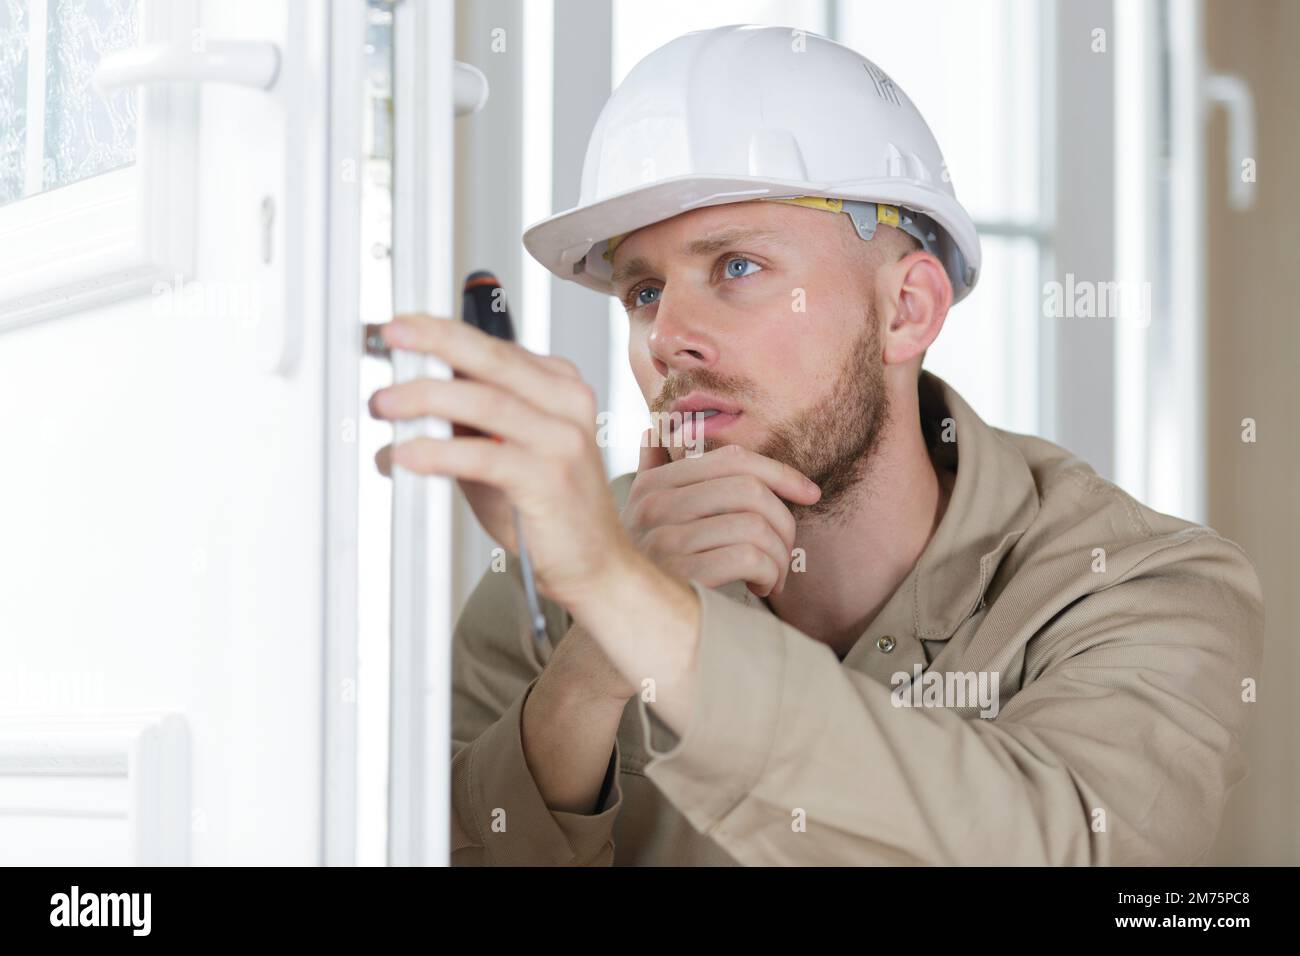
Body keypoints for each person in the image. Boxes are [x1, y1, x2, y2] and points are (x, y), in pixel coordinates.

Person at [368, 24, 1263, 865]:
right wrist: (592, 664)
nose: (666, 335)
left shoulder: (1142, 587)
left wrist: (630, 606)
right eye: (642, 291)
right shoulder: (558, 572)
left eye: (738, 269)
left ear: (906, 310)